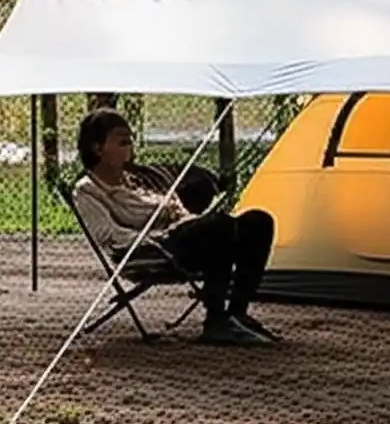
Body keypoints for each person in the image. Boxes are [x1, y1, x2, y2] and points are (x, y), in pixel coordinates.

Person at [73, 108, 279, 345]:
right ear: (97, 148)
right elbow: (107, 235)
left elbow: (177, 211)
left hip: (181, 238)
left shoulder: (137, 179)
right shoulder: (88, 190)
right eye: (122, 141)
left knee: (258, 221)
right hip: (148, 250)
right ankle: (216, 320)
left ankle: (237, 313)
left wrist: (184, 221)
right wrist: (156, 237)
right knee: (218, 226)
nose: (130, 147)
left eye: (130, 140)